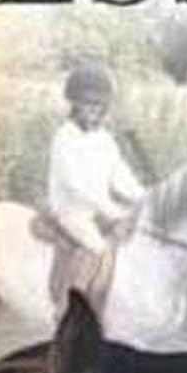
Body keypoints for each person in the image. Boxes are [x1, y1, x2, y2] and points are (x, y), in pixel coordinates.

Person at [46, 63, 145, 312]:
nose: (95, 110)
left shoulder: (105, 139)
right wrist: (110, 209)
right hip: (71, 211)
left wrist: (144, 196)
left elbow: (120, 175)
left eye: (100, 105)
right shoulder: (64, 137)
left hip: (99, 210)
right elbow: (75, 183)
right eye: (89, 104)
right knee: (97, 247)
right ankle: (68, 310)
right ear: (75, 104)